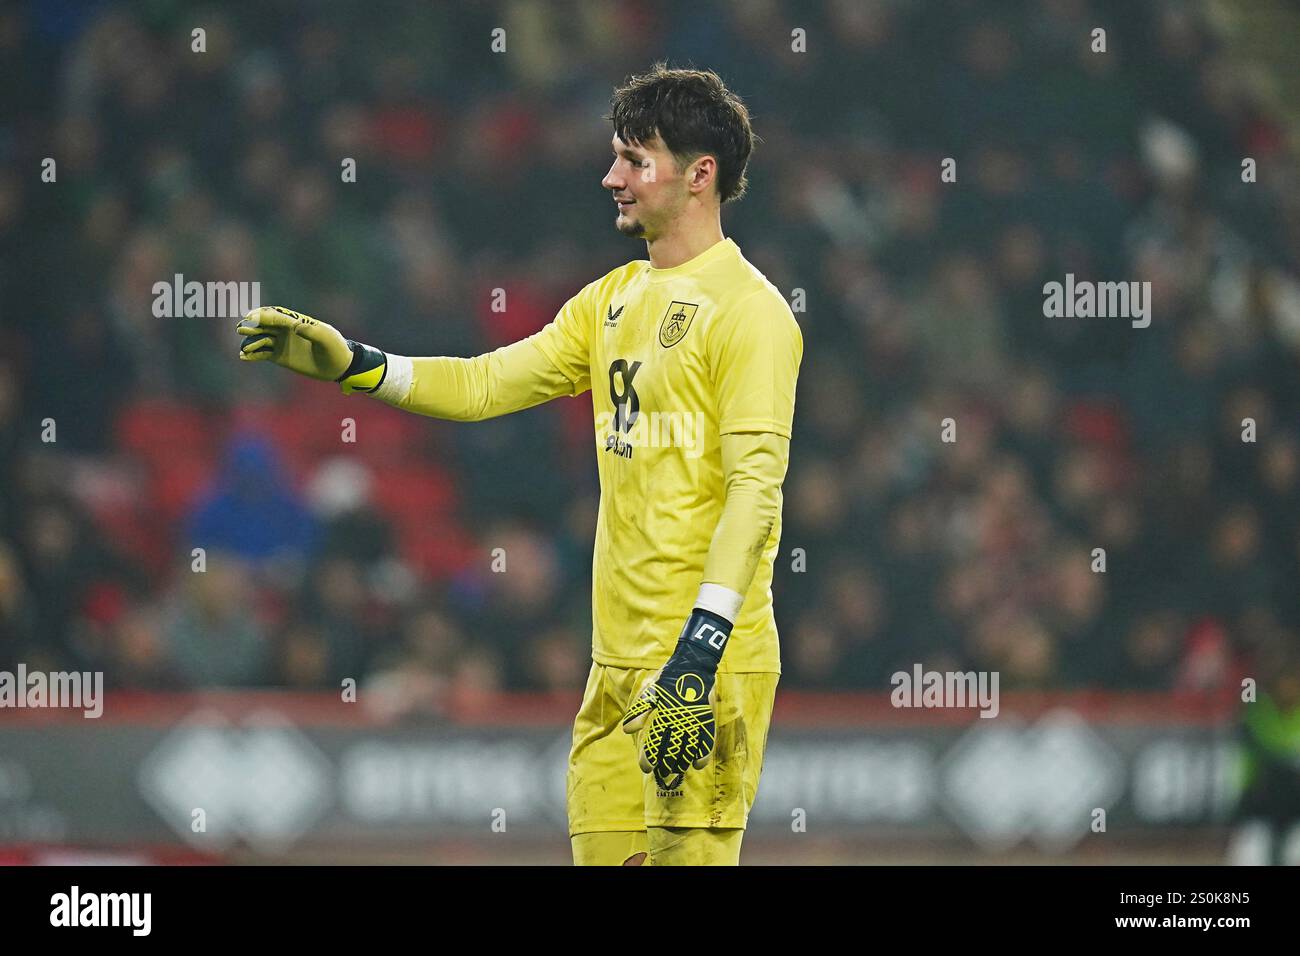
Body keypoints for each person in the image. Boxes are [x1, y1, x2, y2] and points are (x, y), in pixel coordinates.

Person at [234, 63, 802, 866]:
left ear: (700, 173)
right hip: (614, 667)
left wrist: (699, 652)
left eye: (635, 160)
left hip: (703, 669)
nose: (613, 178)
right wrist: (356, 366)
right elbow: (481, 384)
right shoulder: (610, 300)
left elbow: (756, 494)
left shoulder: (753, 313)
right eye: (615, 157)